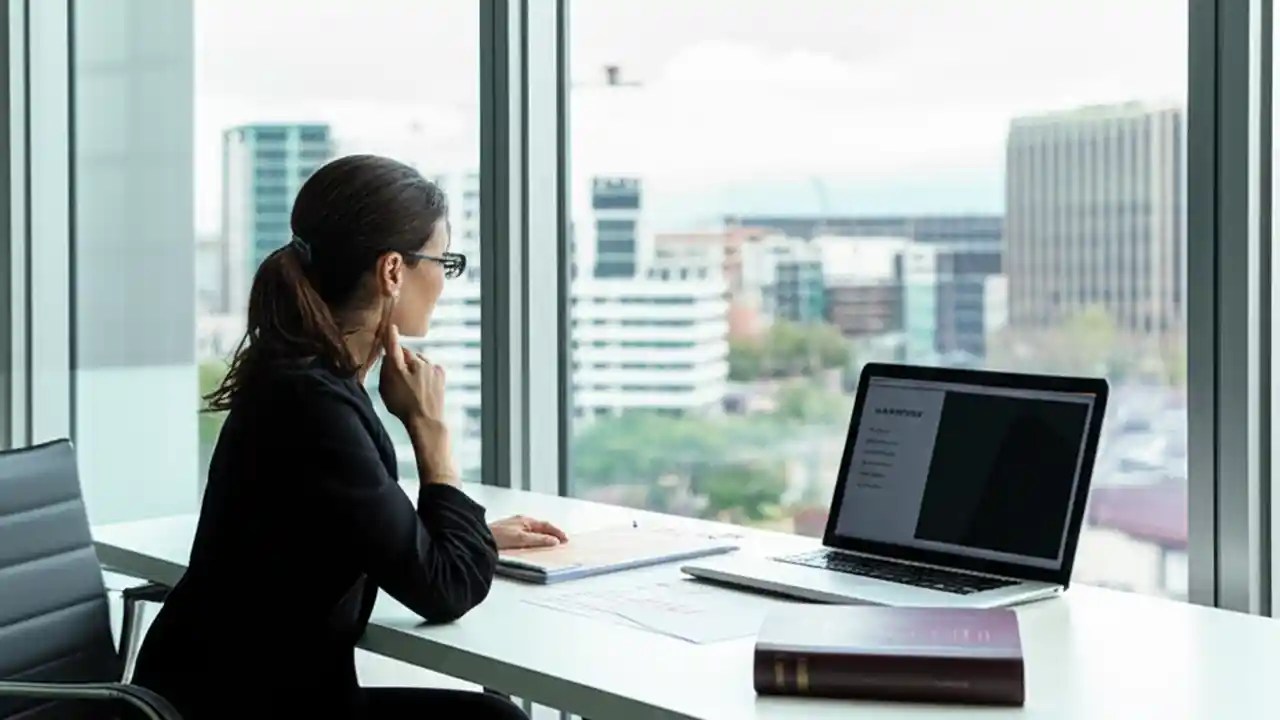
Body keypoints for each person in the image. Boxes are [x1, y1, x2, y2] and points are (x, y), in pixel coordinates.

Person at [131, 154, 567, 720]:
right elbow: (447, 589)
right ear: (393, 271)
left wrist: (466, 534)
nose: (443, 280)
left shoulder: (303, 378)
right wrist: (432, 437)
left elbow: (349, 525)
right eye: (444, 261)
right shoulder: (313, 406)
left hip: (228, 689)